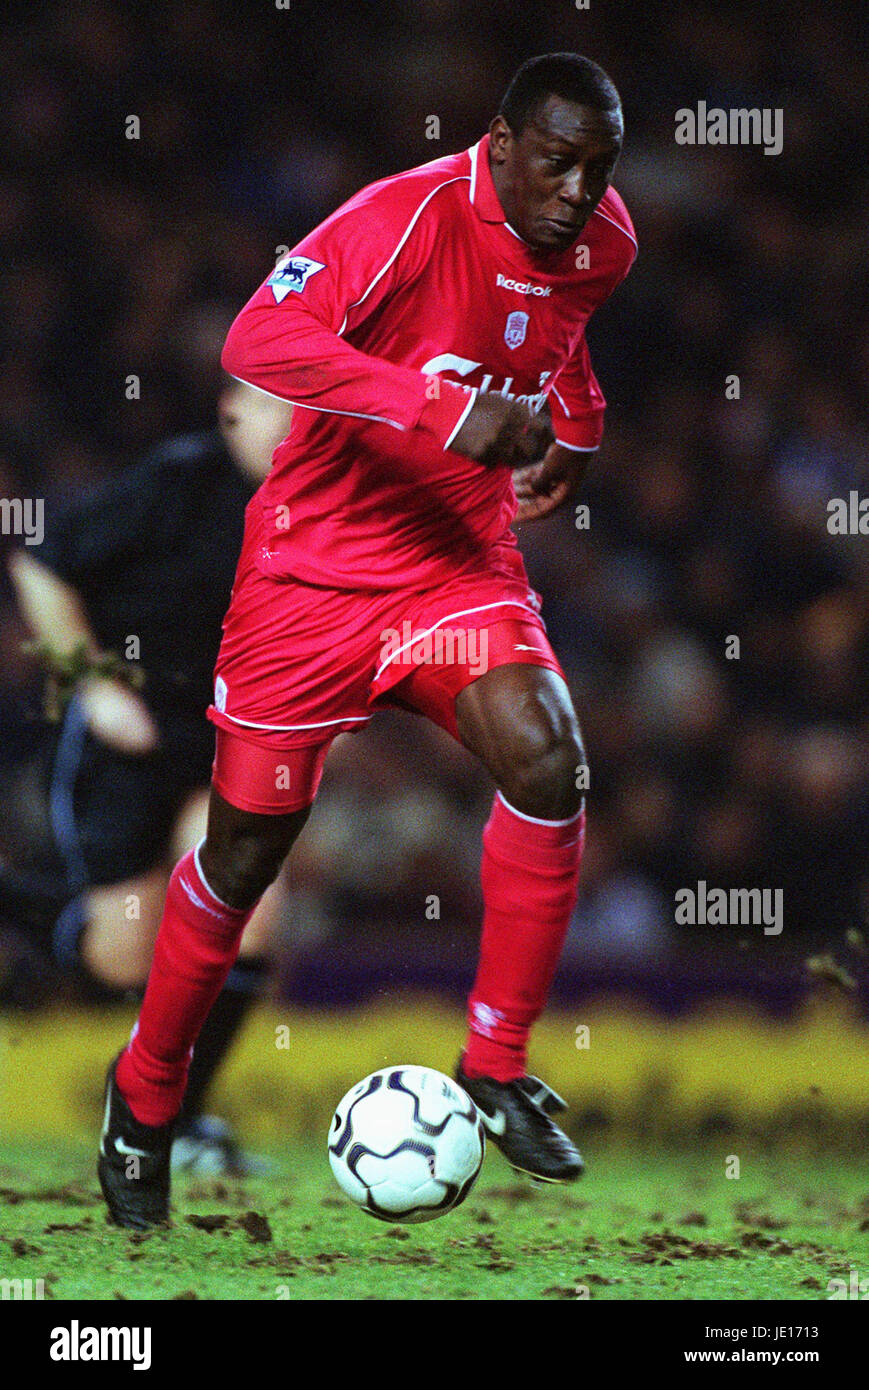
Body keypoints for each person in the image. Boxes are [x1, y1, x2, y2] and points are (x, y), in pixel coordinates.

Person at [98, 51, 637, 1227]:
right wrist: (443, 408)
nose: (575, 194)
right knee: (245, 857)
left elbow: (558, 336)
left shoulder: (601, 243)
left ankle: (494, 1064)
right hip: (312, 577)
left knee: (547, 756)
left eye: (597, 170)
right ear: (499, 144)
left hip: (454, 568)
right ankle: (144, 1095)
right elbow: (256, 343)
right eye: (554, 164)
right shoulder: (397, 219)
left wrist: (578, 429)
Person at [8, 377, 294, 1173]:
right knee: (122, 955)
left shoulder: (331, 503)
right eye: (281, 407)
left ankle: (175, 1124)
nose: (299, 427)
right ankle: (20, 899)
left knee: (251, 912)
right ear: (232, 412)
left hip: (231, 743)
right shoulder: (176, 483)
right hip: (129, 743)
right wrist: (92, 681)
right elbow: (39, 561)